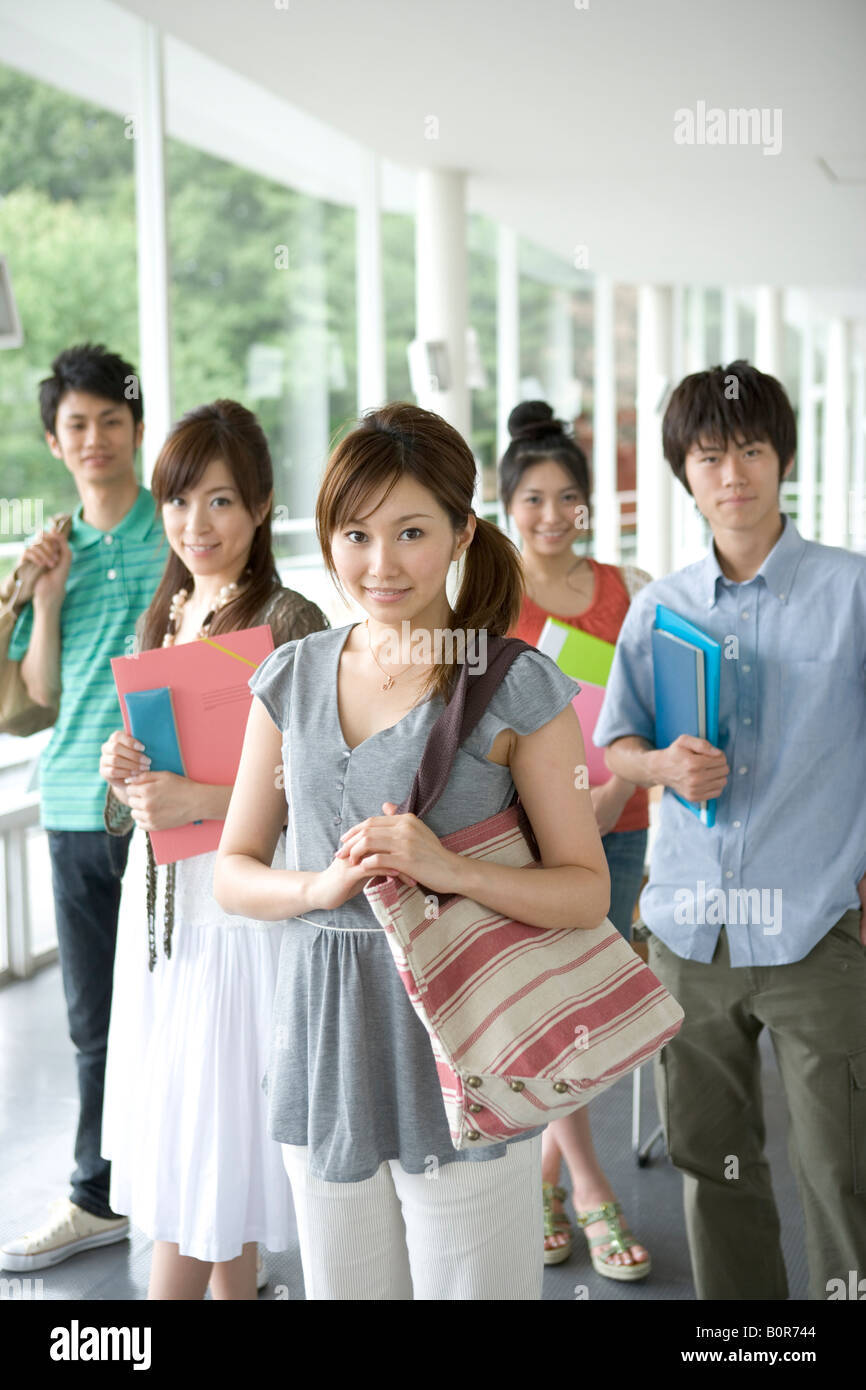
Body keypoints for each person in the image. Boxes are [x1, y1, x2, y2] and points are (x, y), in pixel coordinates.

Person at [213, 401, 610, 1301]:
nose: (379, 564)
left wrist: (450, 869)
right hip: (325, 1038)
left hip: (467, 1037)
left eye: (411, 532)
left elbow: (587, 892)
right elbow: (234, 869)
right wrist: (318, 888)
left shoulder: (514, 685)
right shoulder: (291, 675)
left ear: (463, 531)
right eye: (354, 534)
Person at [594, 359, 866, 1301]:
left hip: (819, 931)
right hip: (688, 932)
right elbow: (617, 743)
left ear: (781, 458)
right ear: (686, 472)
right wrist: (662, 766)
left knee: (841, 1174)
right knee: (712, 1166)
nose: (733, 473)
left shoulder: (852, 591)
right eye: (711, 455)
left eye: (750, 449)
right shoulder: (657, 607)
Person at [98, 400, 328, 1300]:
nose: (198, 526)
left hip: (238, 922)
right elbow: (137, 807)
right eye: (180, 502)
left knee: (220, 1142)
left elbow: (317, 790)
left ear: (263, 506)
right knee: (203, 1162)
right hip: (162, 923)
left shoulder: (290, 619)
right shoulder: (167, 610)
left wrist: (201, 799)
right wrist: (123, 774)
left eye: (223, 502)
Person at [1, 345, 166, 1274]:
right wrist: (46, 597)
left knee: (185, 1014)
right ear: (56, 443)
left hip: (164, 809)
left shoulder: (180, 530)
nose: (95, 437)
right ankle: (95, 1196)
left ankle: (199, 1209)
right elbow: (35, 703)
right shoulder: (51, 552)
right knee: (94, 1022)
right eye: (77, 424)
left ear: (136, 428)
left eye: (111, 419)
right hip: (71, 805)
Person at [501, 400, 652, 1280]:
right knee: (559, 1023)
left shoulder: (621, 592)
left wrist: (615, 790)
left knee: (592, 1017)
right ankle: (593, 1190)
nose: (553, 516)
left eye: (569, 499)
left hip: (619, 824)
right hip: (524, 837)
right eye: (534, 499)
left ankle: (546, 1181)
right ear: (505, 503)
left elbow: (649, 709)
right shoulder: (489, 599)